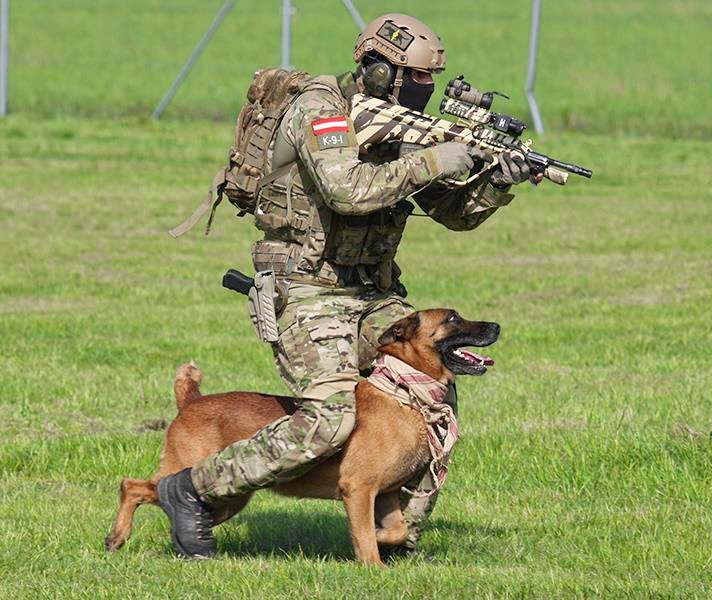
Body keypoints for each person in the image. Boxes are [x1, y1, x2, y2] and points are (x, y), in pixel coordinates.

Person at [157, 13, 541, 559]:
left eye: (431, 80)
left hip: (373, 296)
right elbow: (346, 191)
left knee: (432, 394)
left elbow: (455, 214)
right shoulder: (321, 111)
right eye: (415, 76)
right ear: (379, 69)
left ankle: (396, 530)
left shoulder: (400, 125)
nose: (424, 89)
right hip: (307, 291)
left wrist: (496, 181)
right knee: (332, 417)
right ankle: (193, 489)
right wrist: (433, 159)